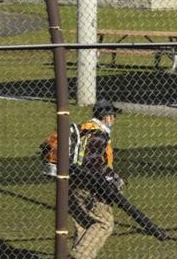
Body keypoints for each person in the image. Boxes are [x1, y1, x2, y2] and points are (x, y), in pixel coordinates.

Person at [70, 101, 123, 259]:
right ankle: (78, 256)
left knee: (84, 226)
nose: (114, 119)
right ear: (106, 117)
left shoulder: (82, 129)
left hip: (74, 184)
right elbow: (93, 162)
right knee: (103, 224)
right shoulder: (99, 134)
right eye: (113, 116)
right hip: (92, 187)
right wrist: (113, 177)